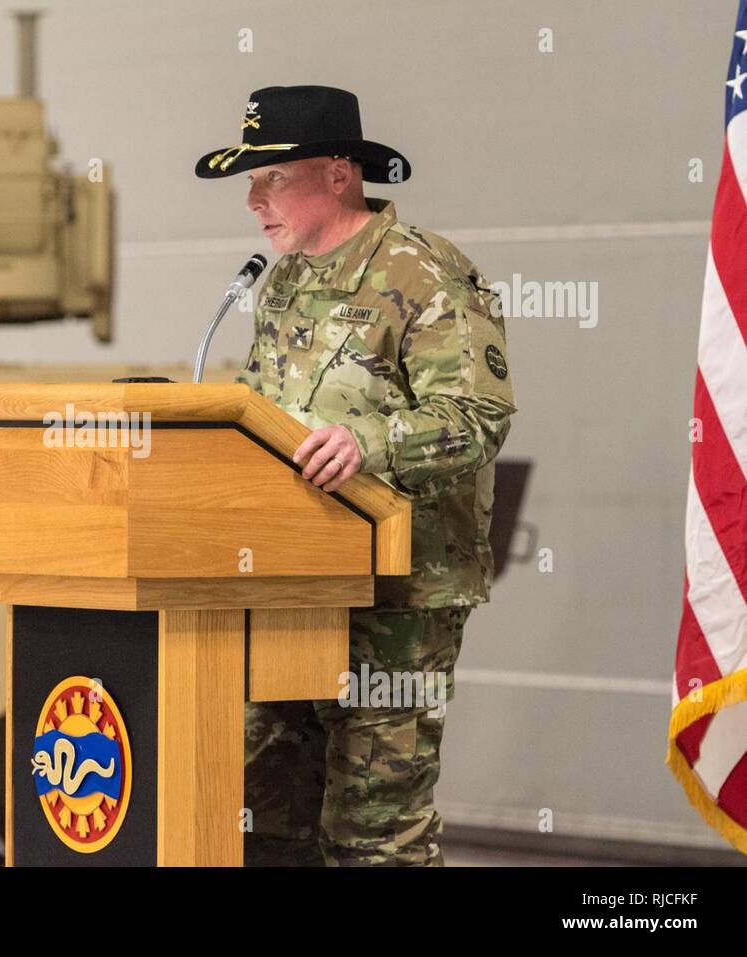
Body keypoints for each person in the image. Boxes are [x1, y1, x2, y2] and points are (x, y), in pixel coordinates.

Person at [195, 85, 517, 865]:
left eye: (271, 178)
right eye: (250, 181)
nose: (252, 200)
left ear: (339, 175)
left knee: (374, 831)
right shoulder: (284, 283)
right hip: (292, 585)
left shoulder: (424, 273)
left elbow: (478, 418)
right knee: (264, 817)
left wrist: (367, 441)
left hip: (401, 596)